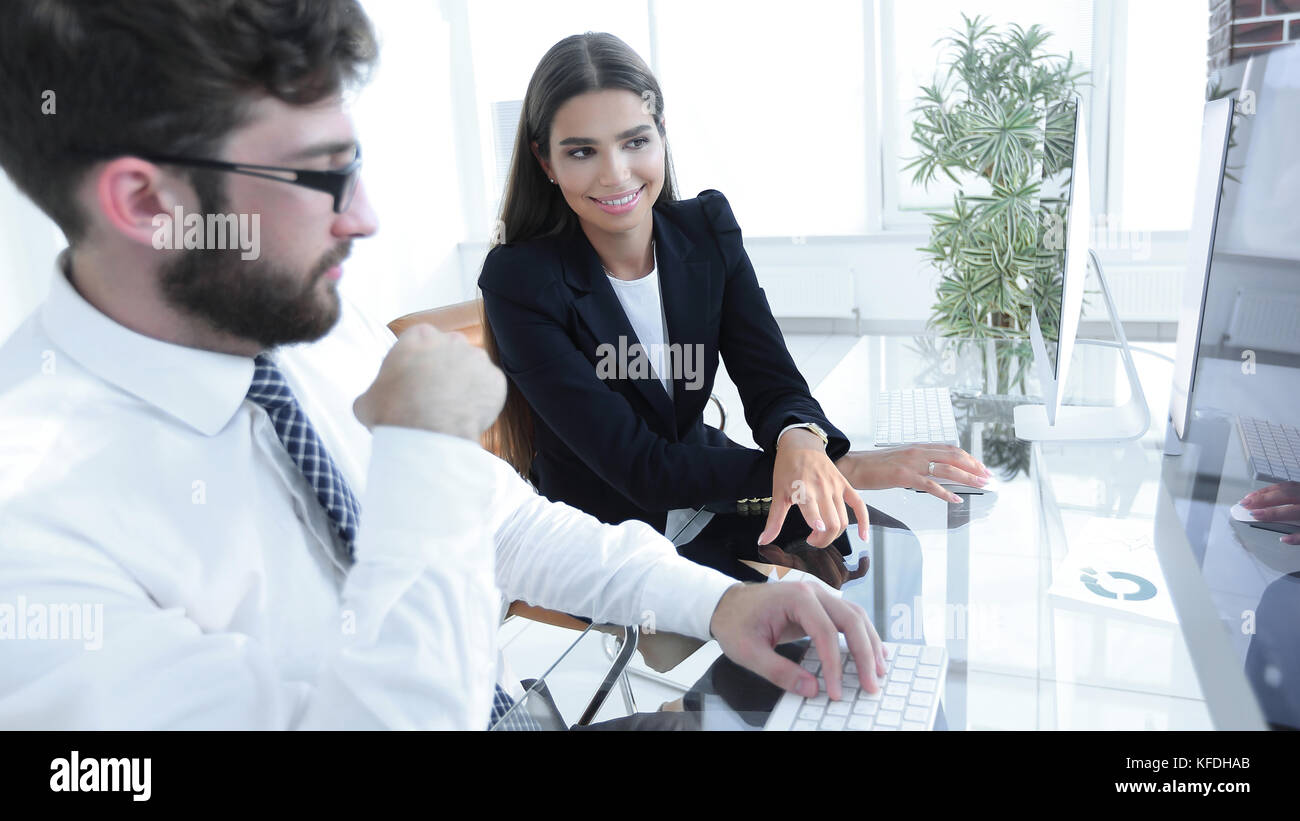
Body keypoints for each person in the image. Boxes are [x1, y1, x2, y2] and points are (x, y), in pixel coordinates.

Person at [0, 0, 885, 730]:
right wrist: (422, 450)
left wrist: (717, 605)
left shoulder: (305, 326)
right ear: (146, 202)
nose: (368, 218)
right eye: (320, 176)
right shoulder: (31, 530)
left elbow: (508, 527)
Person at [479, 32, 989, 581]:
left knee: (882, 558)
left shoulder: (707, 231)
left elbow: (773, 381)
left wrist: (802, 441)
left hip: (711, 488)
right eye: (582, 151)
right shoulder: (520, 281)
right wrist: (848, 465)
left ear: (662, 135)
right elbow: (639, 468)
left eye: (635, 142)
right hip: (611, 529)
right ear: (545, 161)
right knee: (789, 626)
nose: (615, 173)